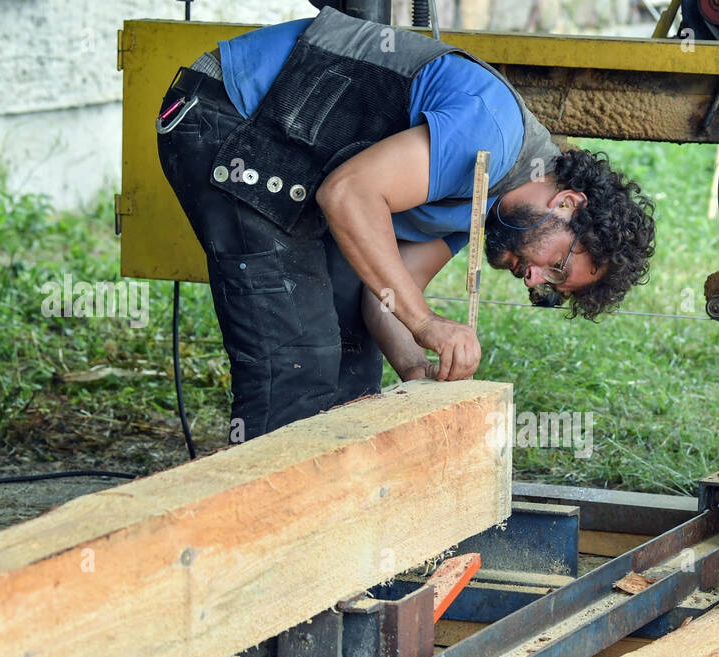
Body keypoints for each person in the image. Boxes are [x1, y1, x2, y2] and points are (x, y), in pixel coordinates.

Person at [156, 4, 655, 441]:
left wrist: (419, 370)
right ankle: (261, 538)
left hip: (296, 163)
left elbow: (383, 300)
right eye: (557, 268)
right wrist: (426, 321)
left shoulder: (489, 207)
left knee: (354, 362)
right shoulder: (491, 137)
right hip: (230, 113)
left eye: (548, 288)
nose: (534, 279)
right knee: (297, 362)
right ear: (567, 204)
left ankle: (334, 526)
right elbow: (349, 194)